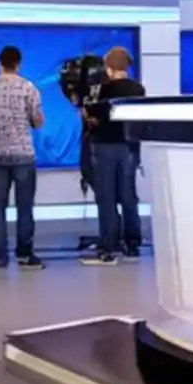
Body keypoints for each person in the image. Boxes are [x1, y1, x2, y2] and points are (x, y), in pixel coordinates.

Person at [0, 46, 45, 270]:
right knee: (25, 207)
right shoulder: (29, 88)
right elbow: (37, 121)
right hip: (23, 153)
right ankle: (25, 253)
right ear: (18, 64)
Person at [81, 47, 146, 266]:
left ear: (108, 66)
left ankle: (109, 243)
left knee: (106, 196)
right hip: (129, 147)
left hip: (105, 146)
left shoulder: (102, 90)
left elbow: (93, 119)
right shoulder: (139, 89)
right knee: (129, 195)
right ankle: (133, 242)